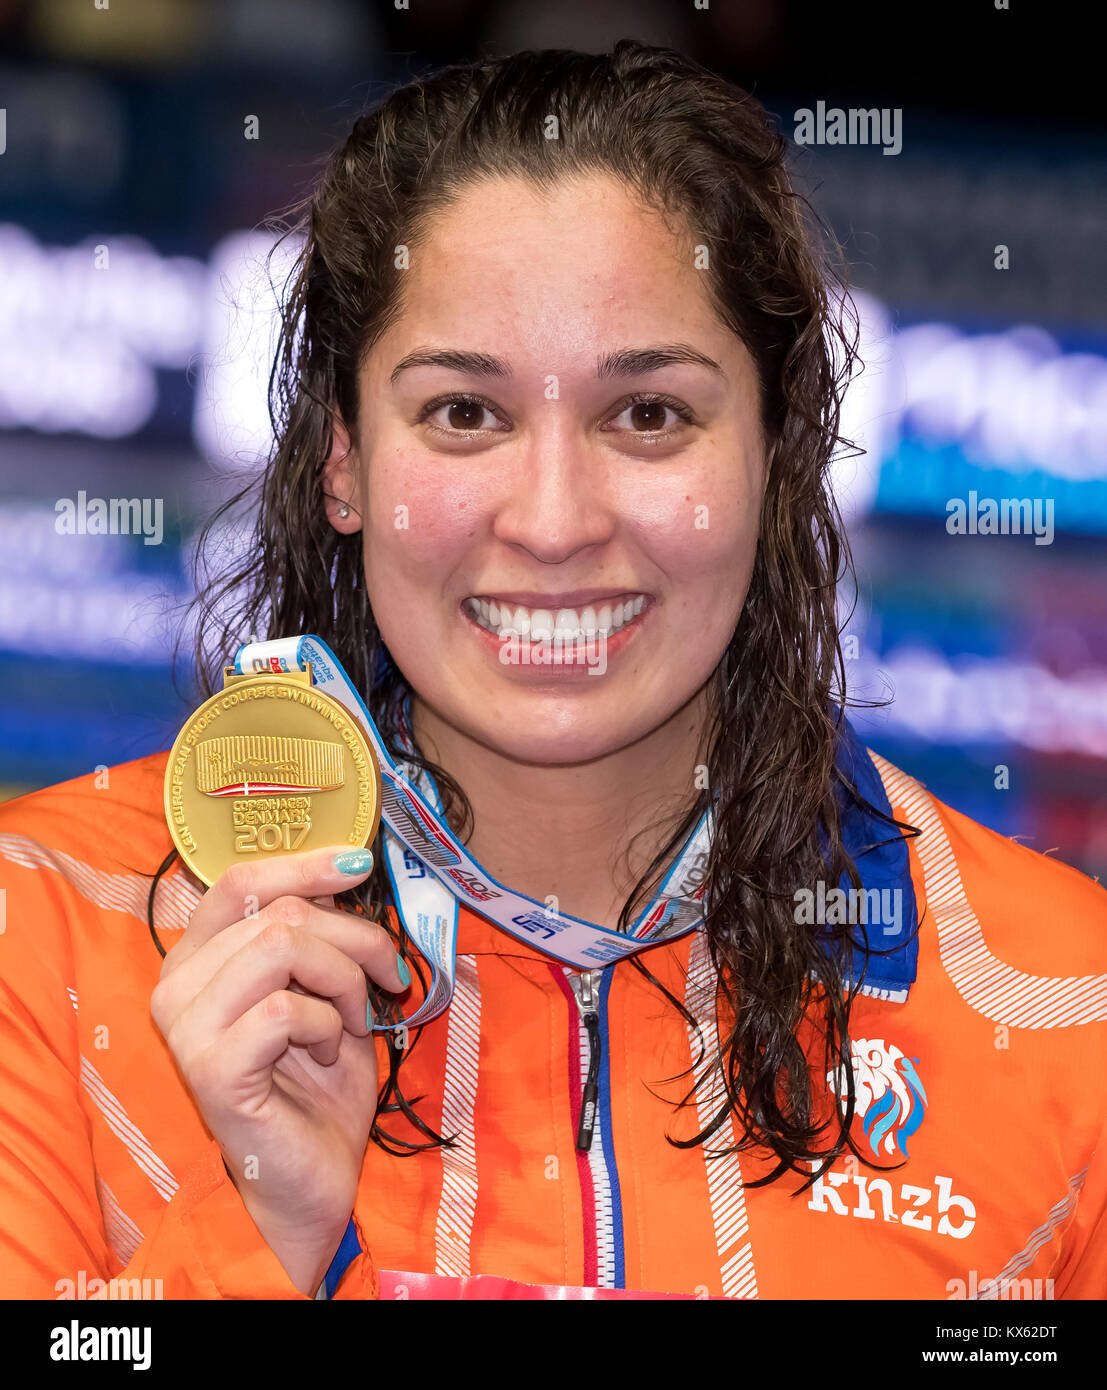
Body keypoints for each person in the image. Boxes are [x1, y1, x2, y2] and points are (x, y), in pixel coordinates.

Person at [1, 39, 1104, 1302]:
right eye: (465, 414)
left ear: (777, 452)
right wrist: (258, 1238)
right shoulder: (43, 934)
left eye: (649, 414)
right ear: (343, 460)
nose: (555, 521)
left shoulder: (1064, 1002)